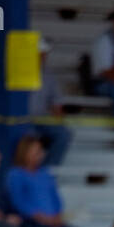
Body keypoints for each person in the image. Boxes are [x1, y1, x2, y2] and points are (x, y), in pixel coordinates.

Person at [5, 133, 86, 227]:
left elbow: (55, 198)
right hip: (31, 222)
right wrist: (41, 217)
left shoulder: (44, 173)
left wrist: (57, 215)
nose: (40, 155)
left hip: (52, 222)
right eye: (36, 151)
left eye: (40, 151)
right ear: (25, 152)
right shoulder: (16, 174)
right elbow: (18, 202)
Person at [29, 37, 72, 166]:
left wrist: (60, 122)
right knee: (25, 136)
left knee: (63, 134)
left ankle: (47, 171)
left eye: (44, 54)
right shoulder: (17, 73)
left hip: (41, 120)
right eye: (39, 53)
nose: (42, 57)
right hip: (20, 120)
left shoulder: (48, 76)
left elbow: (56, 104)